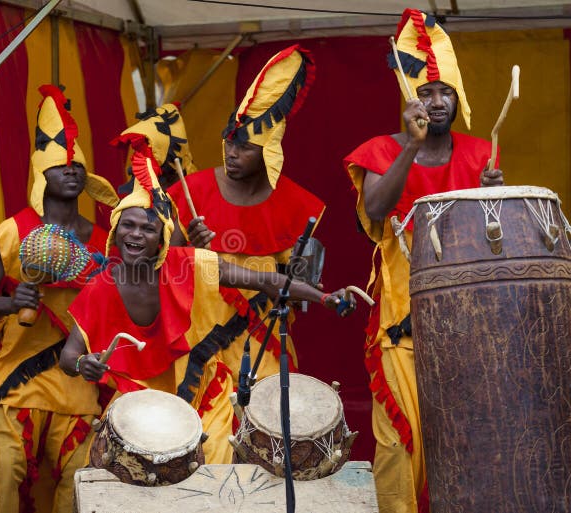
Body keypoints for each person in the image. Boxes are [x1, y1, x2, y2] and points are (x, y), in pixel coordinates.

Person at [59, 134, 356, 465]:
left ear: (162, 238)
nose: (137, 234)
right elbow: (69, 356)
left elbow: (267, 280)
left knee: (213, 467)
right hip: (140, 404)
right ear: (115, 232)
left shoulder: (189, 263)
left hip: (204, 391)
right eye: (128, 225)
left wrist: (326, 297)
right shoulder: (102, 287)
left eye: (148, 229)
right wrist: (83, 364)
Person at [343, 9, 504, 513]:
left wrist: (497, 198)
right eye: (427, 93)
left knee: (463, 437)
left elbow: (497, 241)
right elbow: (372, 210)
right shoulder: (379, 149)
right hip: (400, 318)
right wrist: (410, 147)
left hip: (468, 319)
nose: (436, 102)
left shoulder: (481, 154)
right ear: (409, 97)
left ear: (458, 99)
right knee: (399, 439)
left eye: (446, 93)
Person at [0, 84, 119, 513]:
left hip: (78, 384)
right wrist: (9, 301)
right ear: (41, 174)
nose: (71, 171)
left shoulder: (106, 241)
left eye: (76, 164)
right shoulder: (11, 230)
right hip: (17, 381)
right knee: (4, 476)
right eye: (60, 165)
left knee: (82, 486)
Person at [167, 44, 326, 384]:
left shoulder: (298, 205)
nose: (232, 153)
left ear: (269, 151)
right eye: (229, 142)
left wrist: (309, 283)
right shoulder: (190, 190)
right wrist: (191, 248)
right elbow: (165, 265)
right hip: (200, 335)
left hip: (264, 339)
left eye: (245, 147)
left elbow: (300, 289)